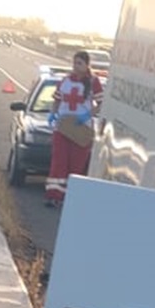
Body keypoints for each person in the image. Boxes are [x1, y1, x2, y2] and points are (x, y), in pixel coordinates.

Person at [44, 50, 104, 207]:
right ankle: (53, 195)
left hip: (81, 129)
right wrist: (53, 114)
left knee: (76, 165)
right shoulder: (65, 81)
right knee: (58, 163)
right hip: (63, 127)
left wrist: (87, 115)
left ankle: (70, 199)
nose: (76, 66)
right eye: (74, 63)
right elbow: (57, 100)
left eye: (80, 63)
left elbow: (101, 105)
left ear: (86, 65)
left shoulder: (93, 82)